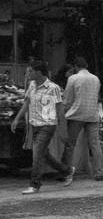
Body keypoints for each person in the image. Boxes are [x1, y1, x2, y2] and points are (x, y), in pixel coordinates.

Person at [10, 60, 74, 194]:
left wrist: (62, 129)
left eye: (30, 71)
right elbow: (26, 103)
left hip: (48, 124)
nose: (28, 74)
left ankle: (35, 184)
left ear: (38, 72)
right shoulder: (31, 85)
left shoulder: (53, 88)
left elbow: (59, 109)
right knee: (43, 154)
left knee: (37, 154)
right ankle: (67, 170)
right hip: (34, 124)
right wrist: (17, 119)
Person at [63, 56, 103, 181]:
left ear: (75, 67)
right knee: (95, 144)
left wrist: (62, 112)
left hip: (77, 114)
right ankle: (99, 172)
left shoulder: (73, 78)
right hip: (92, 114)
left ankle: (67, 172)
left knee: (70, 145)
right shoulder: (95, 78)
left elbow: (67, 99)